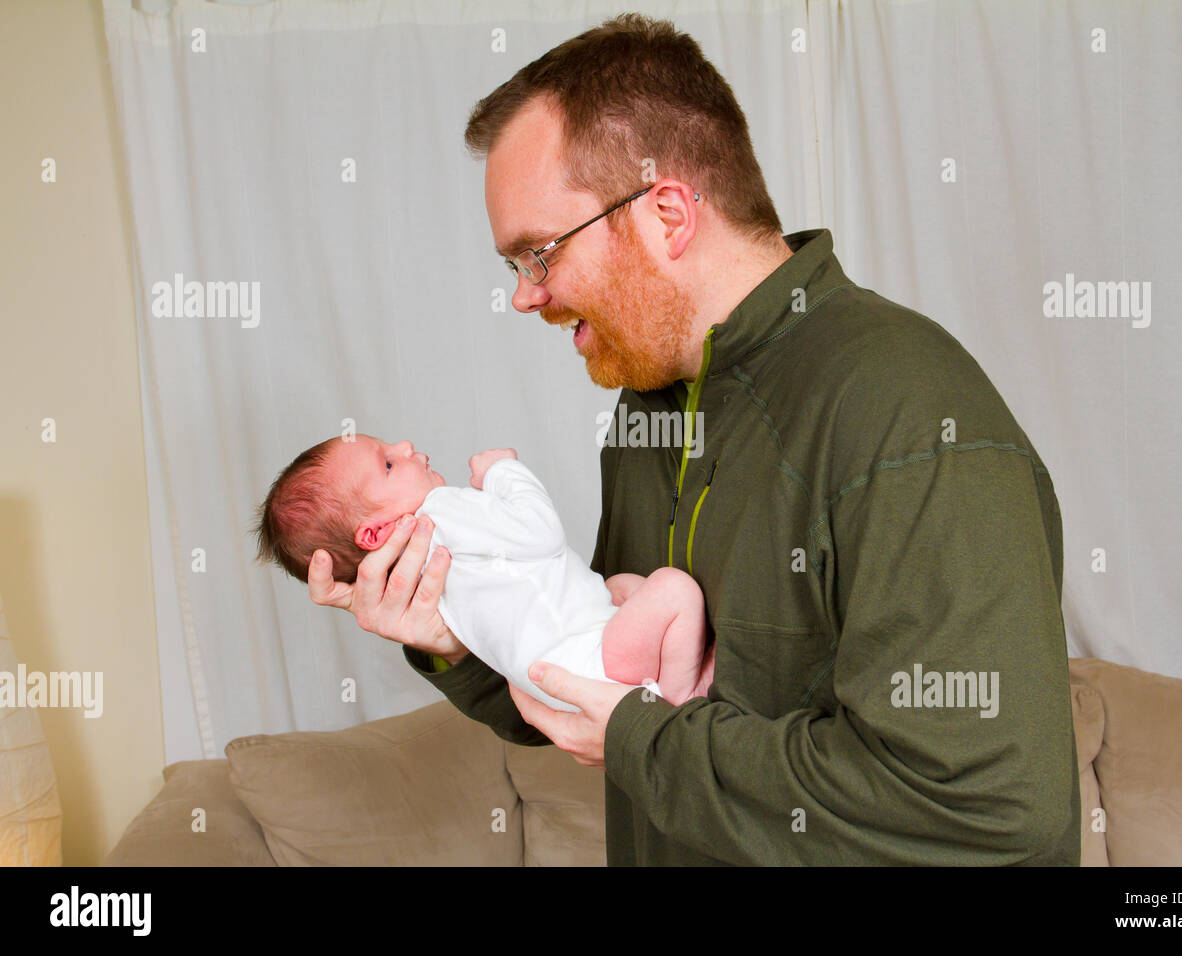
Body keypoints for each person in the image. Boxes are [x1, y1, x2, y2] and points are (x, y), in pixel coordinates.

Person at [308, 14, 1081, 865]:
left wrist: (648, 741)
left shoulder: (910, 411)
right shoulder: (649, 411)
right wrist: (450, 636)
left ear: (668, 213)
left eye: (539, 254)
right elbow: (600, 677)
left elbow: (987, 812)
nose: (525, 297)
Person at [254, 434, 713, 710]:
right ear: (374, 535)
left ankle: (660, 685)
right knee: (672, 589)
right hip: (590, 661)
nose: (406, 447)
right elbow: (541, 533)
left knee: (622, 587)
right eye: (389, 463)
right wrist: (504, 472)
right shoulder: (439, 512)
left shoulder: (425, 583)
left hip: (558, 684)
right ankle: (678, 700)